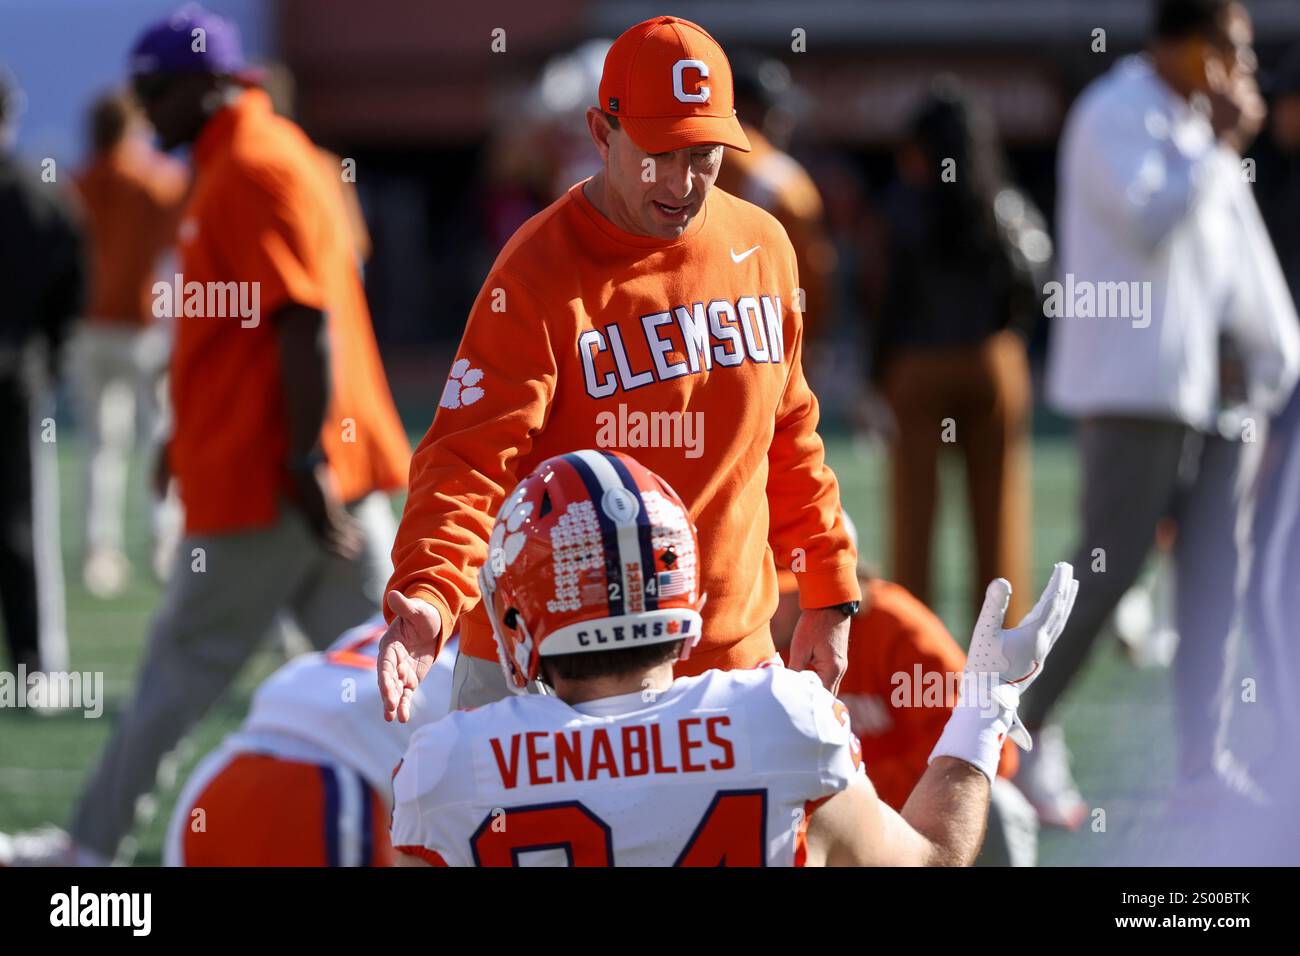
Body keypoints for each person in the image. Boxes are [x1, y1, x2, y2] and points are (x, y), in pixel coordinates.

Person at [379, 16, 860, 722]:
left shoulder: (763, 245)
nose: (681, 181)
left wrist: (827, 590)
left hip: (725, 661)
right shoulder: (538, 266)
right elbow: (469, 458)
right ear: (602, 134)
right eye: (658, 152)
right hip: (553, 669)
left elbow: (788, 435)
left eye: (703, 154)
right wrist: (429, 592)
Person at [30, 7, 411, 866]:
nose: (146, 108)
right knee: (398, 684)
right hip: (302, 467)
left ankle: (86, 850)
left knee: (177, 674)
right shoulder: (259, 157)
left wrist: (303, 457)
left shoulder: (251, 166)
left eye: (156, 91)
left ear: (209, 83)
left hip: (271, 479)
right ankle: (480, 825)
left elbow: (302, 322)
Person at [390, 450, 1078, 866]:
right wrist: (986, 704)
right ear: (685, 594)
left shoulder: (449, 764)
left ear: (519, 620)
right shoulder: (778, 718)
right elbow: (931, 859)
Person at [1034, 0, 1300, 827]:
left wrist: (1275, 355)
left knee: (1216, 584)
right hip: (1135, 393)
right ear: (1189, 45)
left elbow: (1236, 260)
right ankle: (1021, 733)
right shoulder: (1114, 112)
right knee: (1108, 572)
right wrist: (1218, 144)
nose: (1241, 71)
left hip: (1216, 398)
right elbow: (1151, 219)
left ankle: (1201, 765)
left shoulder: (1197, 129)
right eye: (1232, 50)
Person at [873, 78, 1050, 630]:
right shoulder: (1003, 200)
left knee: (913, 519)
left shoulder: (903, 203)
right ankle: (997, 648)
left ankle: (912, 639)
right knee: (998, 513)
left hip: (917, 367)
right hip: (990, 362)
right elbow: (1032, 277)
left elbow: (885, 299)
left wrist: (874, 375)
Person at [769, 565, 1038, 866]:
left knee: (998, 804)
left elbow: (992, 755)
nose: (770, 605)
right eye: (763, 590)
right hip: (827, 818)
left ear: (839, 586)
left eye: (787, 593)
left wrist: (859, 795)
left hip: (903, 811)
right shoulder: (750, 640)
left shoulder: (894, 626)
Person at [71, 90, 188, 596]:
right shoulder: (158, 179)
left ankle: (101, 550)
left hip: (92, 327)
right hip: (144, 327)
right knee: (158, 437)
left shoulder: (76, 183)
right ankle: (163, 539)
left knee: (102, 444)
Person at [0, 66, 83, 679]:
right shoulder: (43, 194)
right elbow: (70, 293)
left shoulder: (42, 195)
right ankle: (34, 665)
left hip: (19, 380)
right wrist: (48, 359)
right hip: (18, 384)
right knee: (23, 527)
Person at [713, 54, 837, 344]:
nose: (784, 122)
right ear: (748, 110)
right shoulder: (780, 178)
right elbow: (813, 279)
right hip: (763, 343)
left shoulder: (677, 160)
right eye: (775, 111)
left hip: (687, 337)